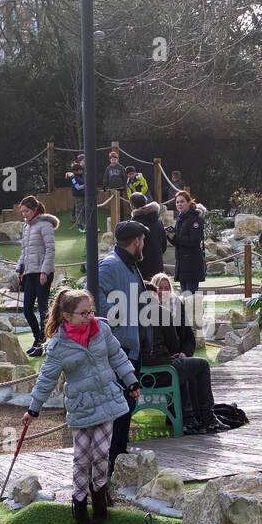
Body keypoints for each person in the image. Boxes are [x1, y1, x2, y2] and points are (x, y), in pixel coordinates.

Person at [25, 288, 141, 524]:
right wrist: (33, 409)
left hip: (107, 398)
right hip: (81, 403)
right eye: (82, 313)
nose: (89, 316)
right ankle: (78, 503)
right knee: (81, 457)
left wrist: (131, 381)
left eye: (91, 311)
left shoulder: (102, 329)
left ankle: (99, 493)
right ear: (66, 315)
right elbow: (46, 379)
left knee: (101, 452)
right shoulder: (58, 345)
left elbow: (118, 356)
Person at [98, 219, 152, 474]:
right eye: (143, 239)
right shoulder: (110, 265)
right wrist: (119, 320)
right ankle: (110, 459)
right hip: (120, 350)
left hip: (133, 348)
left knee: (127, 406)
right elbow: (95, 303)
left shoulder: (130, 265)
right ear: (136, 241)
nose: (144, 244)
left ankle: (119, 455)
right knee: (118, 407)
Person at [143, 273, 221, 434]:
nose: (163, 292)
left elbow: (187, 338)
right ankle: (204, 418)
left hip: (146, 367)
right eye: (159, 289)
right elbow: (174, 343)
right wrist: (174, 352)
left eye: (166, 288)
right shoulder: (160, 313)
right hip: (163, 367)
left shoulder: (174, 306)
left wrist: (183, 353)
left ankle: (190, 418)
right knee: (198, 366)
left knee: (187, 365)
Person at [16, 195, 58, 357]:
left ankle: (43, 342)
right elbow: (24, 250)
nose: (24, 214)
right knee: (27, 309)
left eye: (26, 211)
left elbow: (50, 250)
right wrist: (19, 267)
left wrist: (44, 271)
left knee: (42, 309)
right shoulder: (26, 226)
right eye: (22, 212)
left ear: (34, 210)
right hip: (30, 272)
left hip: (42, 273)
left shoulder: (44, 225)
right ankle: (37, 338)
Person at [167, 190, 206, 296]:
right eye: (177, 202)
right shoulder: (180, 218)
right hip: (182, 264)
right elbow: (179, 242)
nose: (179, 204)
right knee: (184, 298)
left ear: (189, 202)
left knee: (190, 298)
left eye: (182, 202)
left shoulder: (195, 219)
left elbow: (194, 241)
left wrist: (176, 238)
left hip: (192, 264)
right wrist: (171, 237)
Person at [130, 192, 167, 280]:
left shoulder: (134, 224)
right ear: (146, 203)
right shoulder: (158, 222)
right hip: (157, 268)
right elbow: (164, 246)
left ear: (131, 206)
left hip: (141, 269)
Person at [66, 154, 87, 232]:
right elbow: (77, 187)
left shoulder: (81, 175)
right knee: (79, 211)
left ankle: (87, 225)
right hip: (78, 196)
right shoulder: (73, 177)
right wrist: (85, 185)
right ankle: (79, 226)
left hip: (84, 195)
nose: (82, 171)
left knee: (85, 210)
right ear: (76, 171)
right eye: (80, 170)